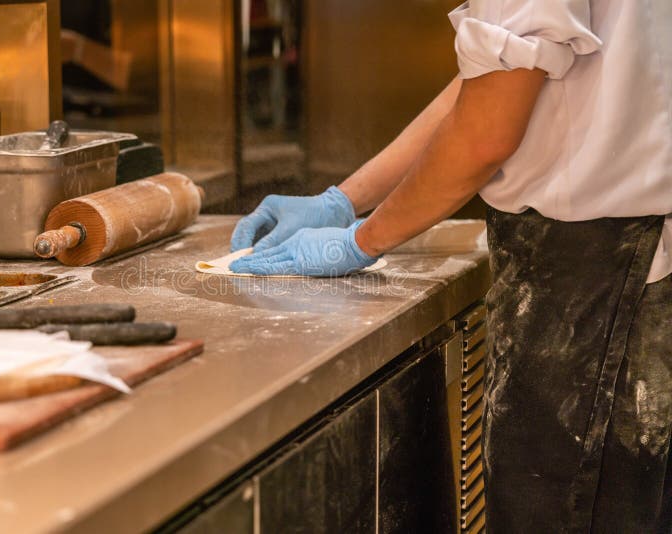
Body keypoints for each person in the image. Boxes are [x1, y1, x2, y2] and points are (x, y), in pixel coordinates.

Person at [229, 1, 672, 532]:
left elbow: (486, 131)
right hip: (615, 264)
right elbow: (490, 82)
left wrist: (362, 239)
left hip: (600, 290)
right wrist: (345, 199)